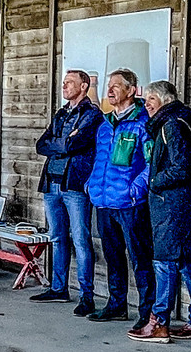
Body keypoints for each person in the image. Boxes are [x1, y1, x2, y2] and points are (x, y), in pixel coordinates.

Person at [129, 81, 191, 343]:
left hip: (173, 207)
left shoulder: (171, 126)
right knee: (188, 264)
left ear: (166, 101)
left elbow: (182, 168)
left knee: (164, 263)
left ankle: (158, 323)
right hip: (183, 206)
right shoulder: (175, 123)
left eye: (151, 99)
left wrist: (154, 181)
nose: (146, 104)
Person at [84, 68, 154, 330]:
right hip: (103, 201)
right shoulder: (104, 124)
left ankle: (147, 313)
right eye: (109, 85)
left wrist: (136, 188)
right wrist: (91, 183)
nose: (110, 90)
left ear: (132, 91)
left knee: (140, 259)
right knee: (113, 256)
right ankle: (116, 305)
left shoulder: (142, 122)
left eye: (116, 86)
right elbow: (99, 159)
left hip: (130, 204)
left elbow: (151, 163)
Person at [31, 68, 102, 314]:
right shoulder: (62, 113)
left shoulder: (92, 114)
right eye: (63, 82)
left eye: (70, 82)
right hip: (52, 182)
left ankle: (87, 296)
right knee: (58, 238)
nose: (64, 86)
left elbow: (77, 142)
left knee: (81, 240)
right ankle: (59, 288)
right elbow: (41, 144)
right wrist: (63, 143)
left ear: (83, 86)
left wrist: (59, 144)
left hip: (74, 185)